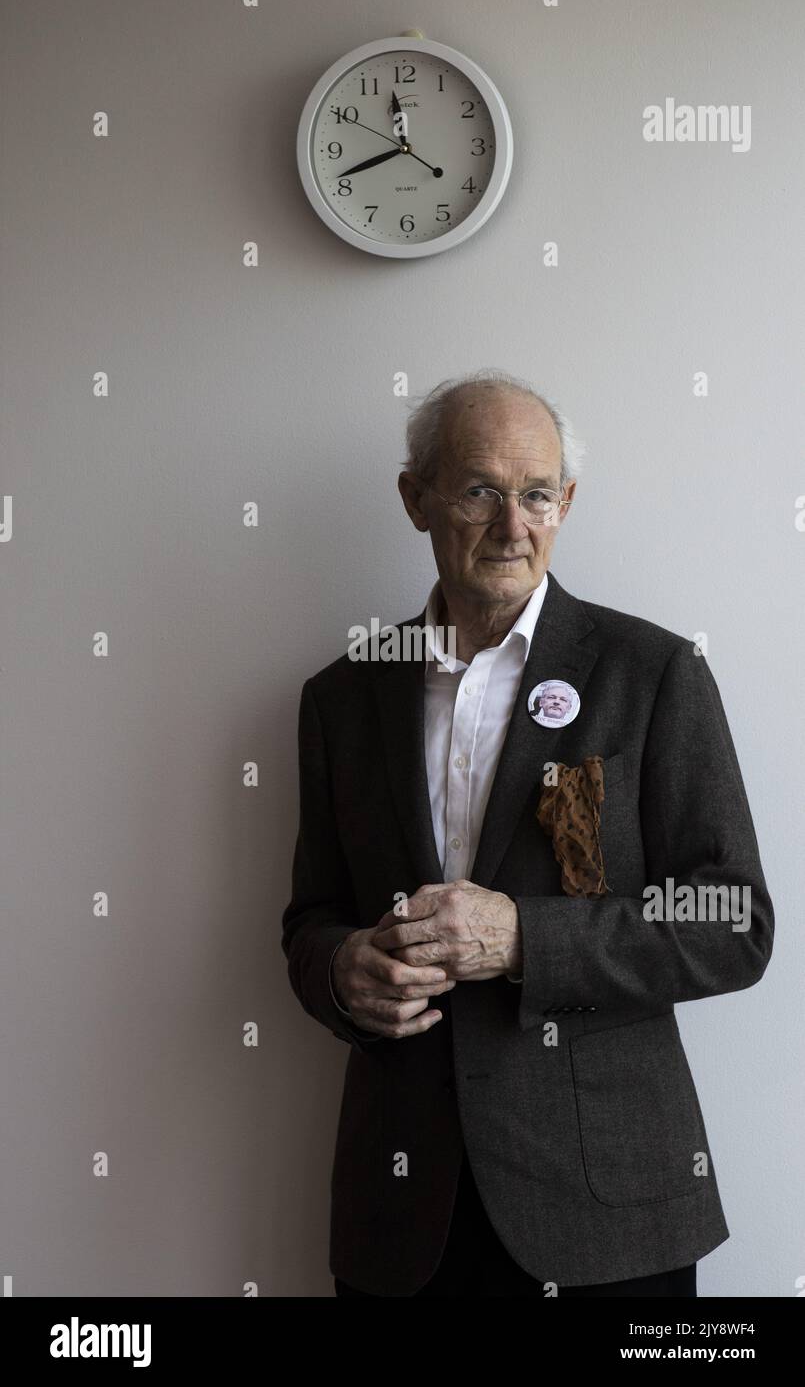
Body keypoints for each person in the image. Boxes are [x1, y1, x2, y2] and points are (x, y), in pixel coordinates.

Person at [281, 368, 774, 1297]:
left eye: (537, 494)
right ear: (414, 498)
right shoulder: (339, 700)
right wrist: (342, 971)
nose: (513, 526)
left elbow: (732, 923)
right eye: (478, 491)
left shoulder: (653, 672)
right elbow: (310, 920)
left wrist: (521, 939)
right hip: (403, 1217)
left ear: (566, 502)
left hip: (607, 1218)